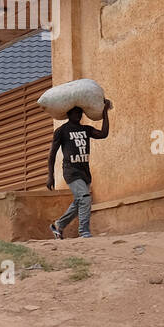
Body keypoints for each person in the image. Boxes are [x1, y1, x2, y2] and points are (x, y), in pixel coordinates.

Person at [47, 99, 112, 239]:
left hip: (84, 172)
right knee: (85, 198)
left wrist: (105, 112)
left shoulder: (86, 129)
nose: (78, 115)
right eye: (75, 112)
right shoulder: (61, 131)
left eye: (80, 112)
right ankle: (84, 231)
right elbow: (52, 154)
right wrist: (50, 175)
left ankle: (59, 225)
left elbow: (103, 134)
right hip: (71, 171)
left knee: (80, 200)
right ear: (69, 114)